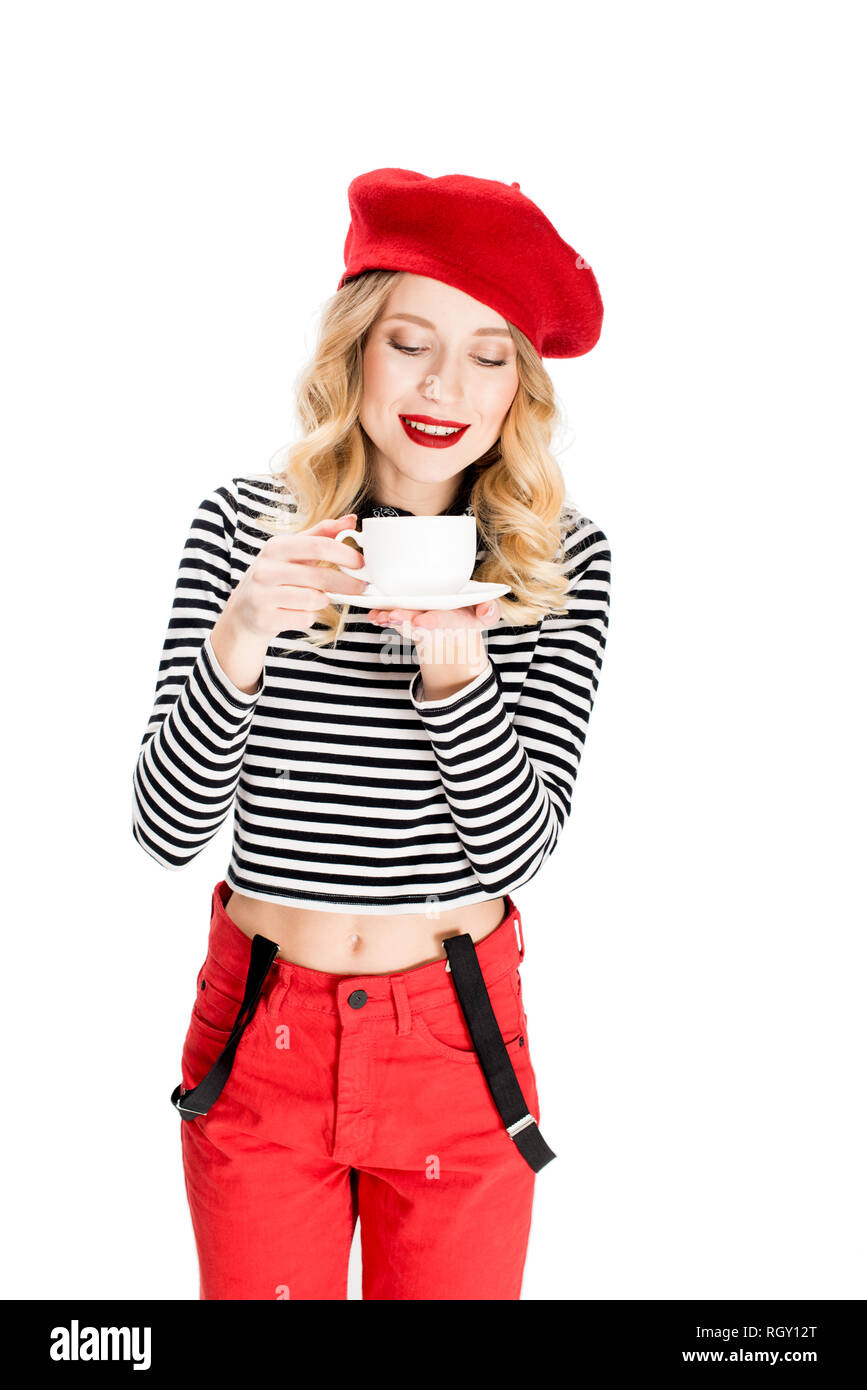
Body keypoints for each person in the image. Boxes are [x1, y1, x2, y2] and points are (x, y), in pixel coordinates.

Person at [132, 168, 612, 1300]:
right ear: (355, 350)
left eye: (489, 353)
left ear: (518, 388)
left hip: (456, 1042)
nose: (447, 383)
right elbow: (166, 830)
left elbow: (515, 855)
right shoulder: (246, 529)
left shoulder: (559, 561)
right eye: (412, 341)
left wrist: (457, 680)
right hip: (263, 1030)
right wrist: (244, 627)